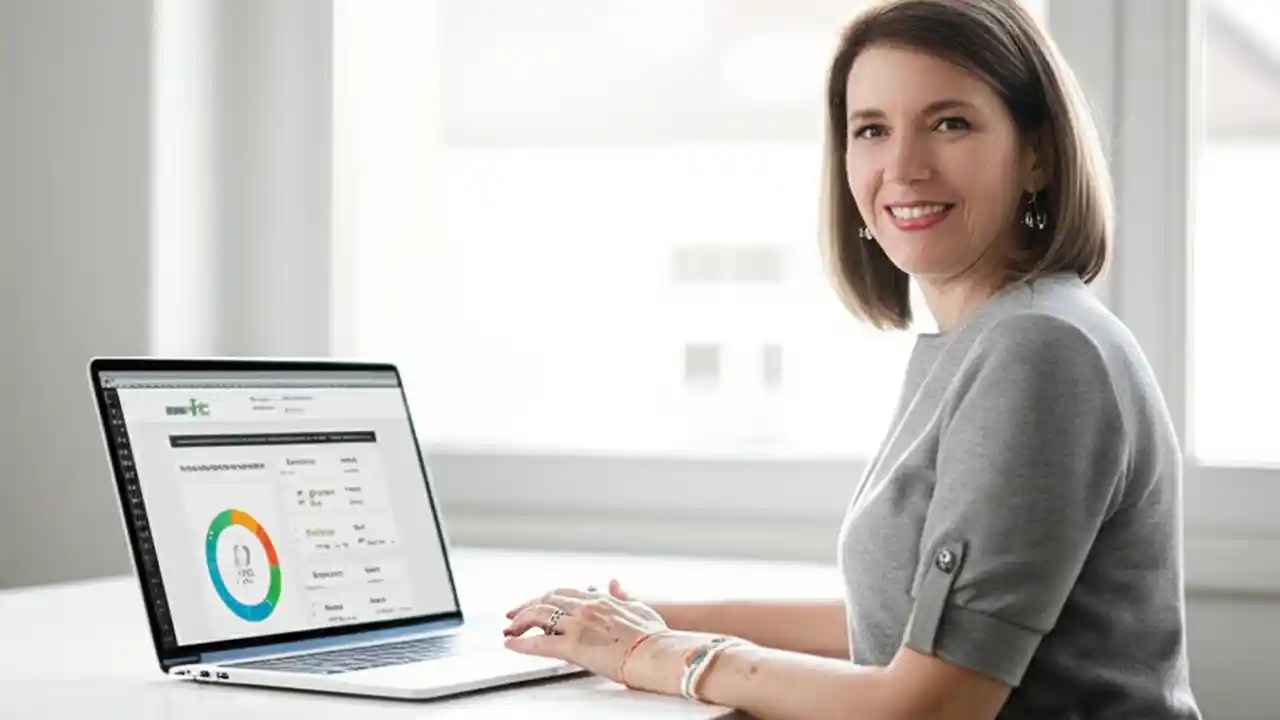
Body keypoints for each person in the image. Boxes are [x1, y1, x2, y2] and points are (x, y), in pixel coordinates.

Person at [501, 0, 1203, 717]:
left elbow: (934, 703)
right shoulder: (993, 339)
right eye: (871, 129)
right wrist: (654, 614)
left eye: (949, 123)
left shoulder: (1040, 351)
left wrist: (653, 655)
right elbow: (909, 626)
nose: (903, 166)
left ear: (1038, 154)